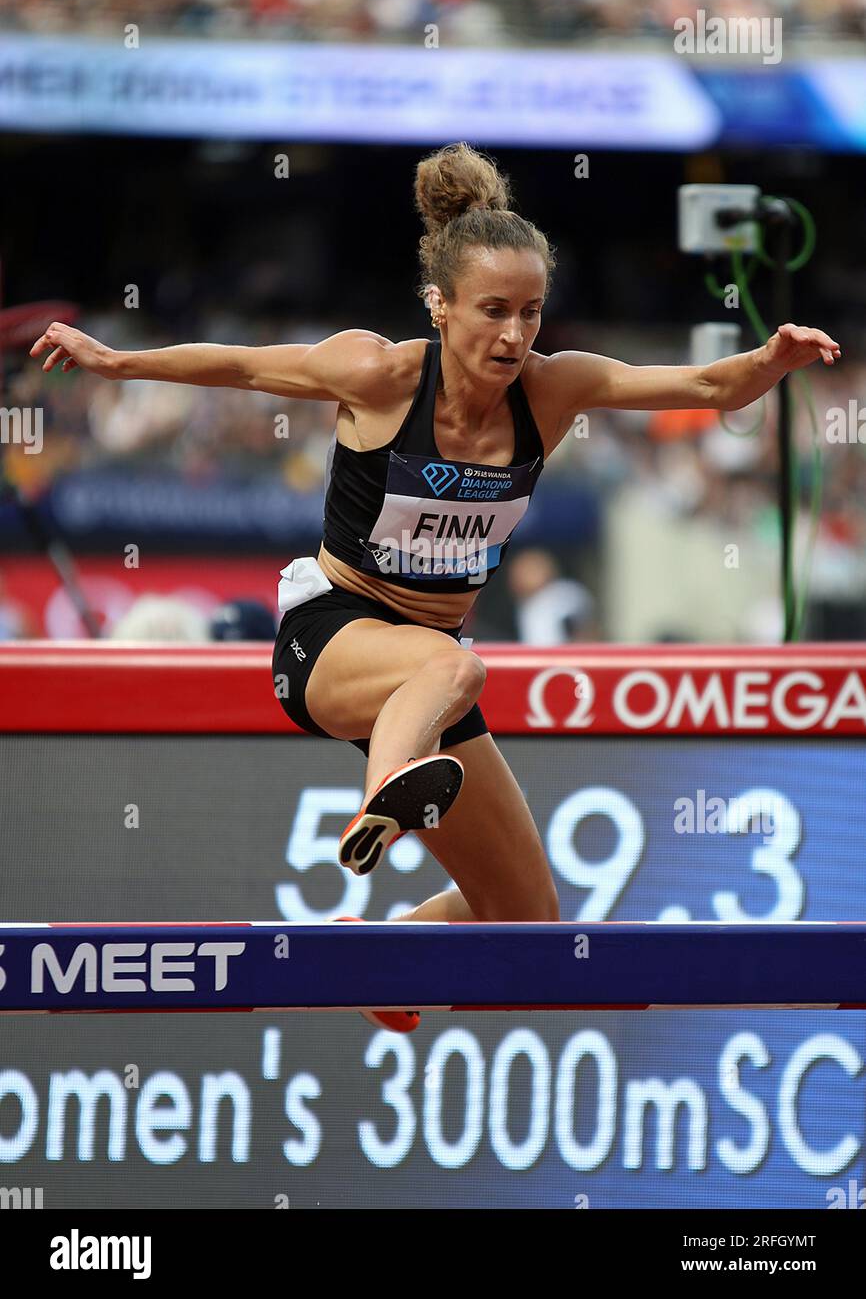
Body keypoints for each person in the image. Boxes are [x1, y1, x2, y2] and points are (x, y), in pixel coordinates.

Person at [30, 141, 841, 1034]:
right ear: (440, 305)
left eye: (532, 313)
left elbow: (701, 381)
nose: (514, 335)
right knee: (458, 670)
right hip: (329, 640)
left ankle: (387, 951)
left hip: (423, 676)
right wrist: (115, 362)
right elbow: (241, 364)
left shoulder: (553, 390)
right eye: (493, 311)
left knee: (529, 920)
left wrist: (772, 358)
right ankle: (384, 796)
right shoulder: (377, 373)